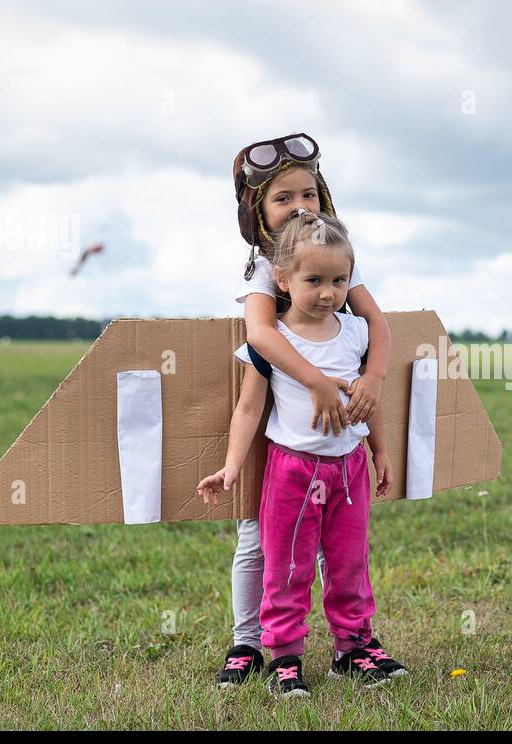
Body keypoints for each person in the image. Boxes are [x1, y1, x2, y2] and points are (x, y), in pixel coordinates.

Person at [210, 133, 401, 686]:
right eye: (283, 198)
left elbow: (376, 327)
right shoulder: (264, 271)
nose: (300, 207)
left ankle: (352, 645)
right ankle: (256, 644)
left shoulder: (340, 265)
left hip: (341, 459)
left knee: (343, 554)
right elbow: (262, 337)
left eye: (309, 195)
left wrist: (372, 378)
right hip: (286, 450)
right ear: (258, 212)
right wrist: (316, 383)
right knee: (262, 549)